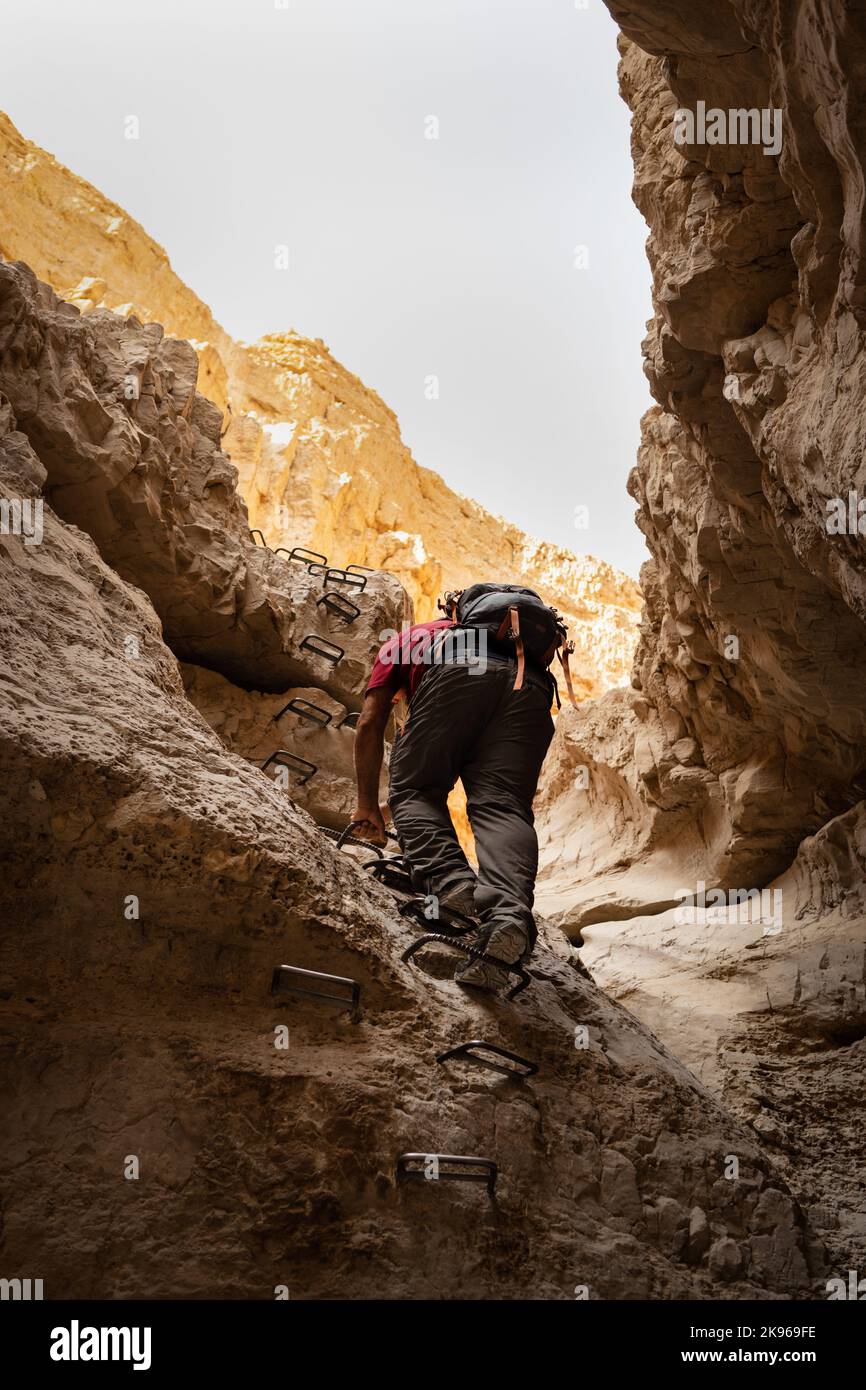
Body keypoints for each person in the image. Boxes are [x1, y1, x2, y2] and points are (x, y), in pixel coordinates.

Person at [352, 586, 566, 992]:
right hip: (533, 688)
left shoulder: (411, 638)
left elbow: (370, 721)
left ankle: (452, 885)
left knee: (416, 790)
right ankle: (507, 919)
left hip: (458, 672)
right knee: (504, 808)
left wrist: (368, 807)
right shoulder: (520, 648)